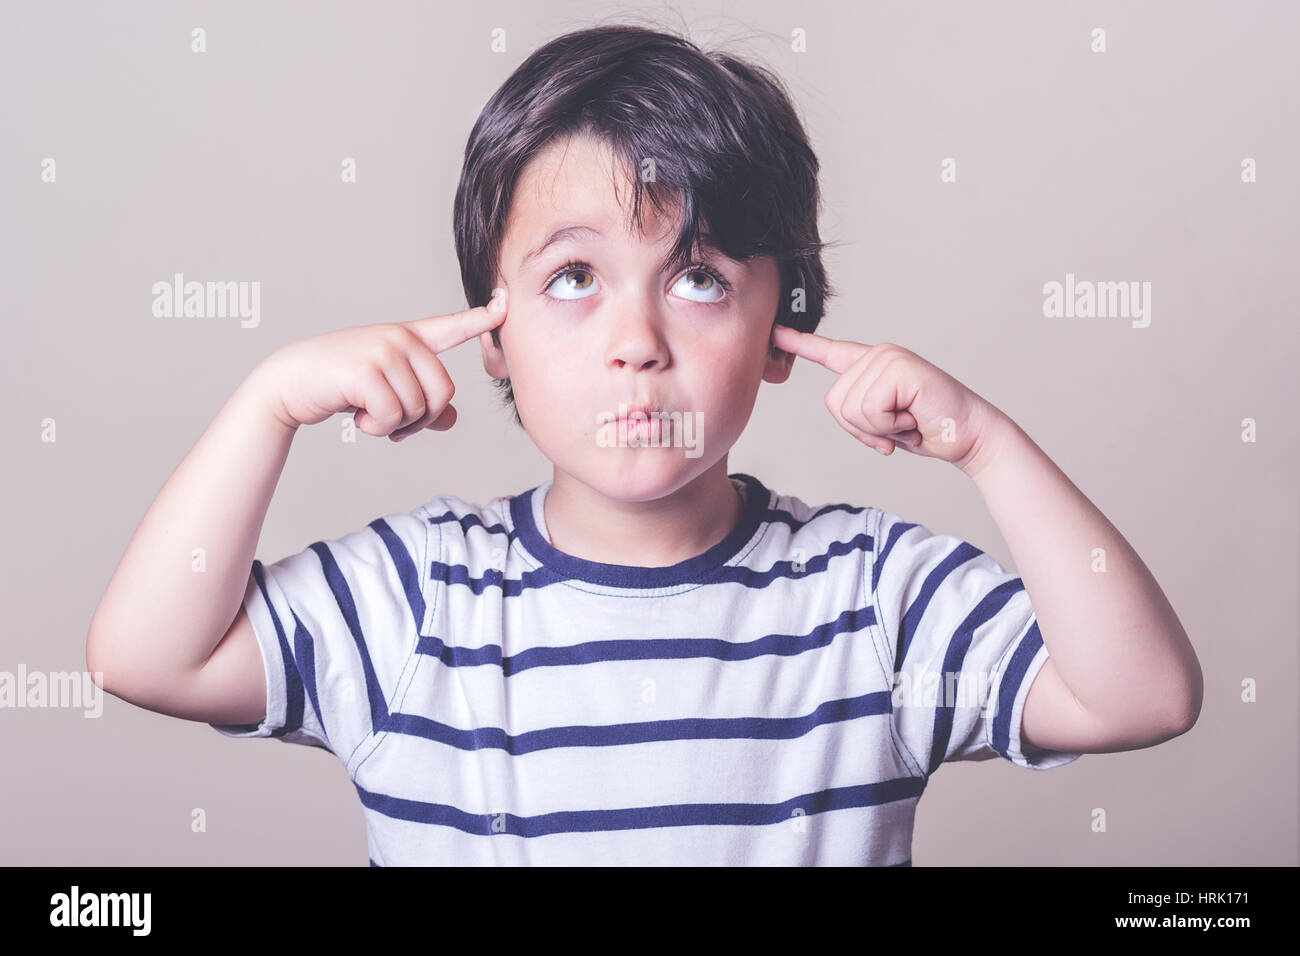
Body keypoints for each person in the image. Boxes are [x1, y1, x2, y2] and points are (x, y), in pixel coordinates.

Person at [86, 24, 1202, 866]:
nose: (637, 342)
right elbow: (148, 654)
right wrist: (269, 401)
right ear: (492, 332)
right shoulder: (416, 596)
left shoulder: (871, 596)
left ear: (780, 332)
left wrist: (988, 444)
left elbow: (1139, 694)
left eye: (701, 278)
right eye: (573, 278)